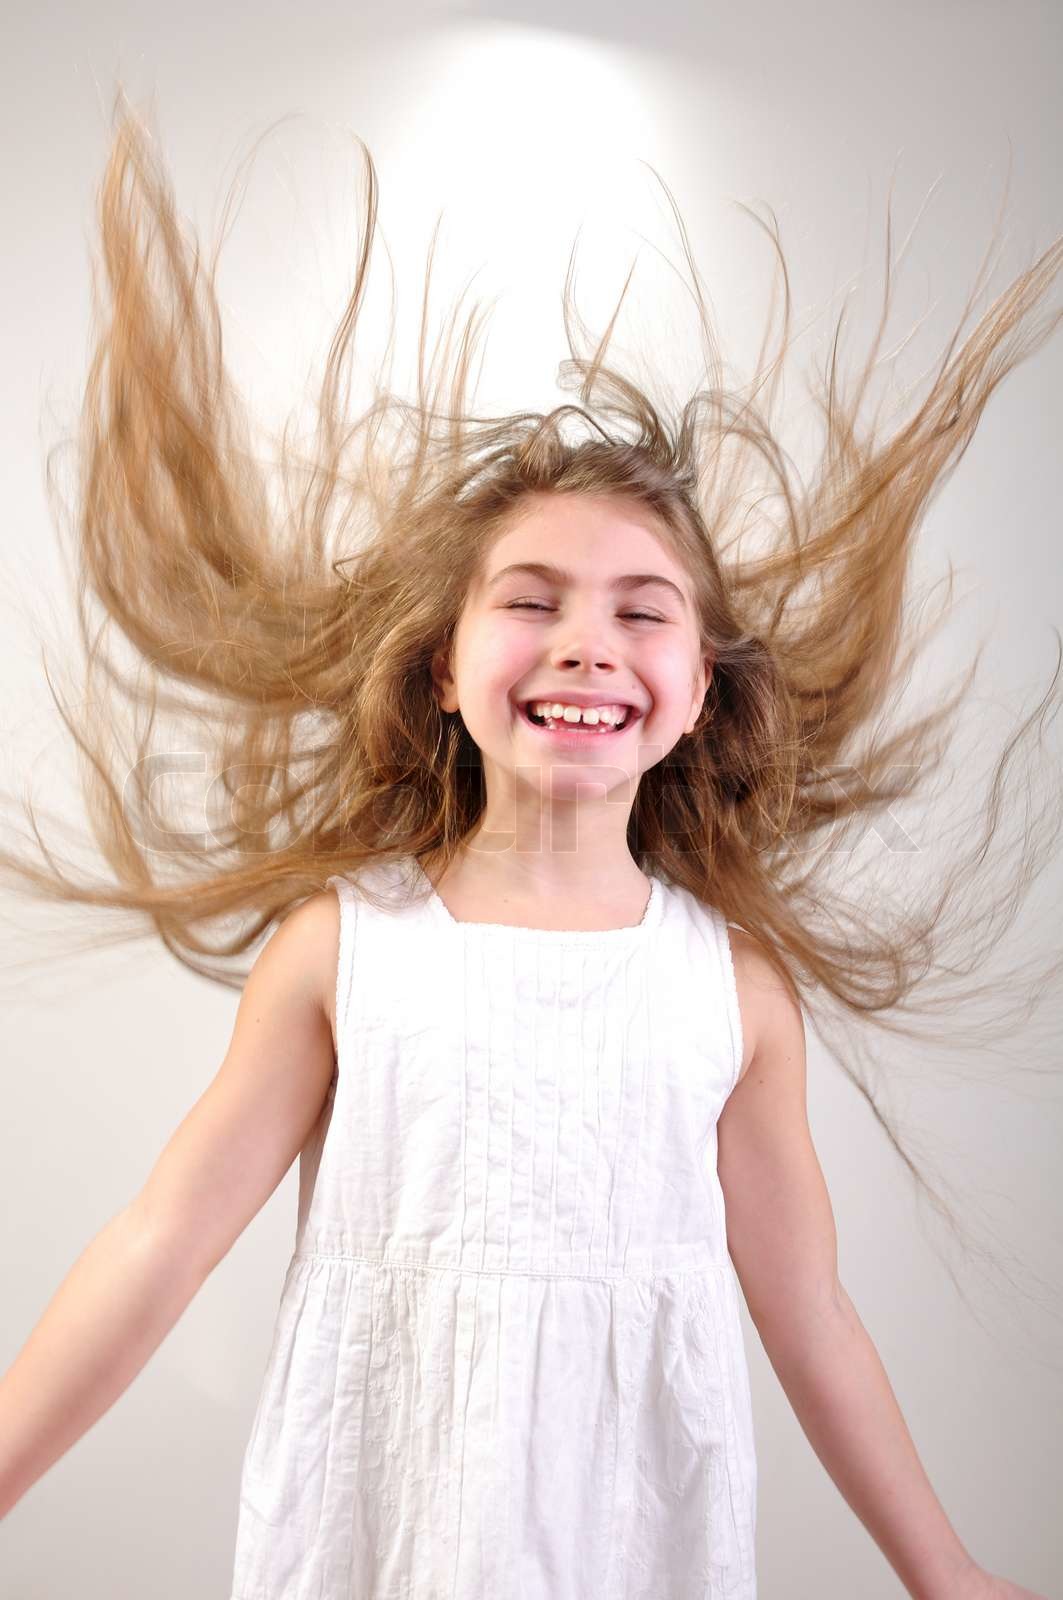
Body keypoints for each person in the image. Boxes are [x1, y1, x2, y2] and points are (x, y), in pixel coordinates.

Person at [0, 92, 1059, 1599]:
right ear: (443, 668)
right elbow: (161, 1243)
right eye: (531, 600)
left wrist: (944, 1571)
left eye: (643, 612)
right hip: (378, 1536)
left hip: (638, 1544)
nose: (588, 645)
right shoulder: (343, 952)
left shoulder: (733, 997)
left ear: (697, 697)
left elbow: (809, 1311)